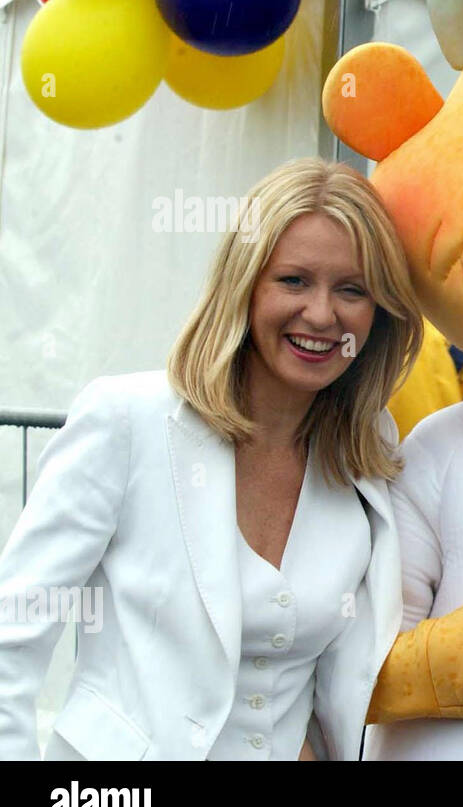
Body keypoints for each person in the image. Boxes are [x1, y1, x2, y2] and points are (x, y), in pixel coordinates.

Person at [0, 158, 425, 760]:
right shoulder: (126, 420)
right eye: (294, 280)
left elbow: (340, 675)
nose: (323, 315)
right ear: (244, 285)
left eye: (352, 289)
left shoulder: (367, 448)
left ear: (379, 312)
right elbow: (11, 639)